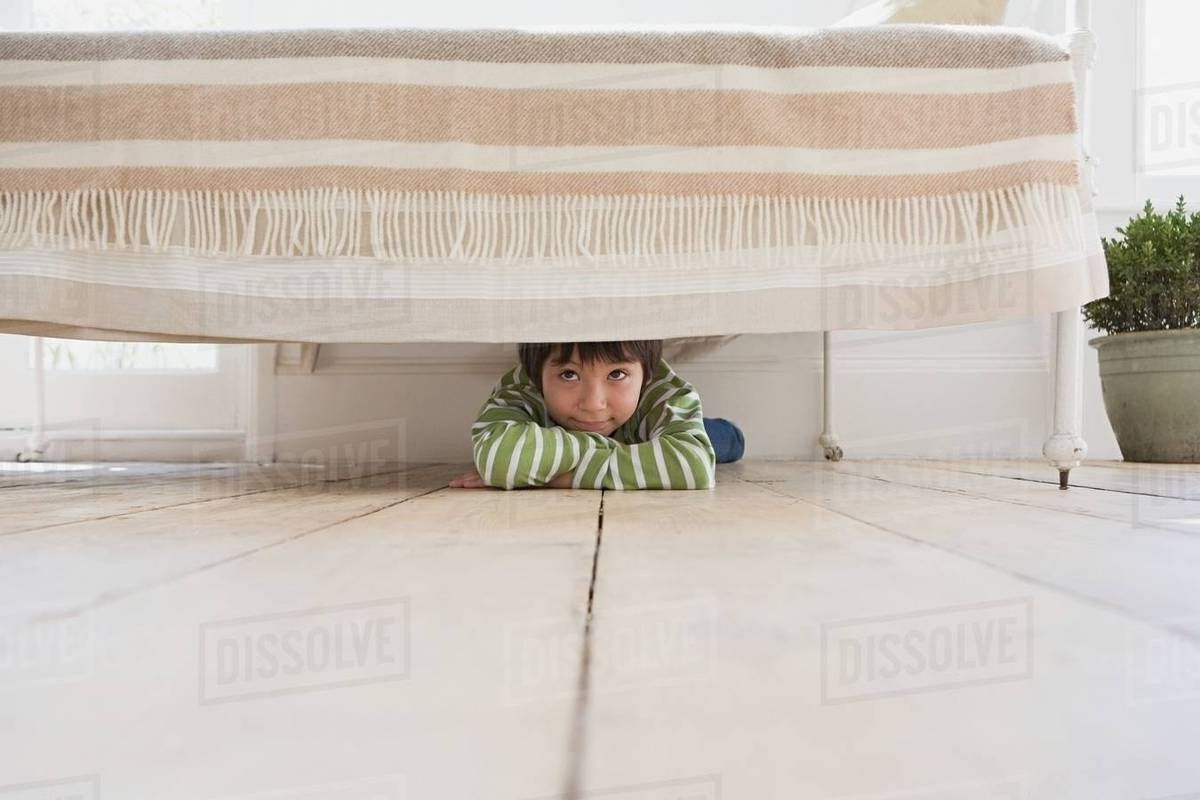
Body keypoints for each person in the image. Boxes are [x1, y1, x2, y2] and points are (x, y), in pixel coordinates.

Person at [449, 339, 744, 490]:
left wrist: (551, 477)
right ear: (536, 376)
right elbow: (501, 458)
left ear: (647, 376)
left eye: (616, 374)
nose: (593, 404)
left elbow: (692, 466)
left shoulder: (661, 391)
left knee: (723, 442)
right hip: (641, 444)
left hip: (652, 426)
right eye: (568, 375)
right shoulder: (523, 387)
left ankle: (718, 431)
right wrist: (636, 458)